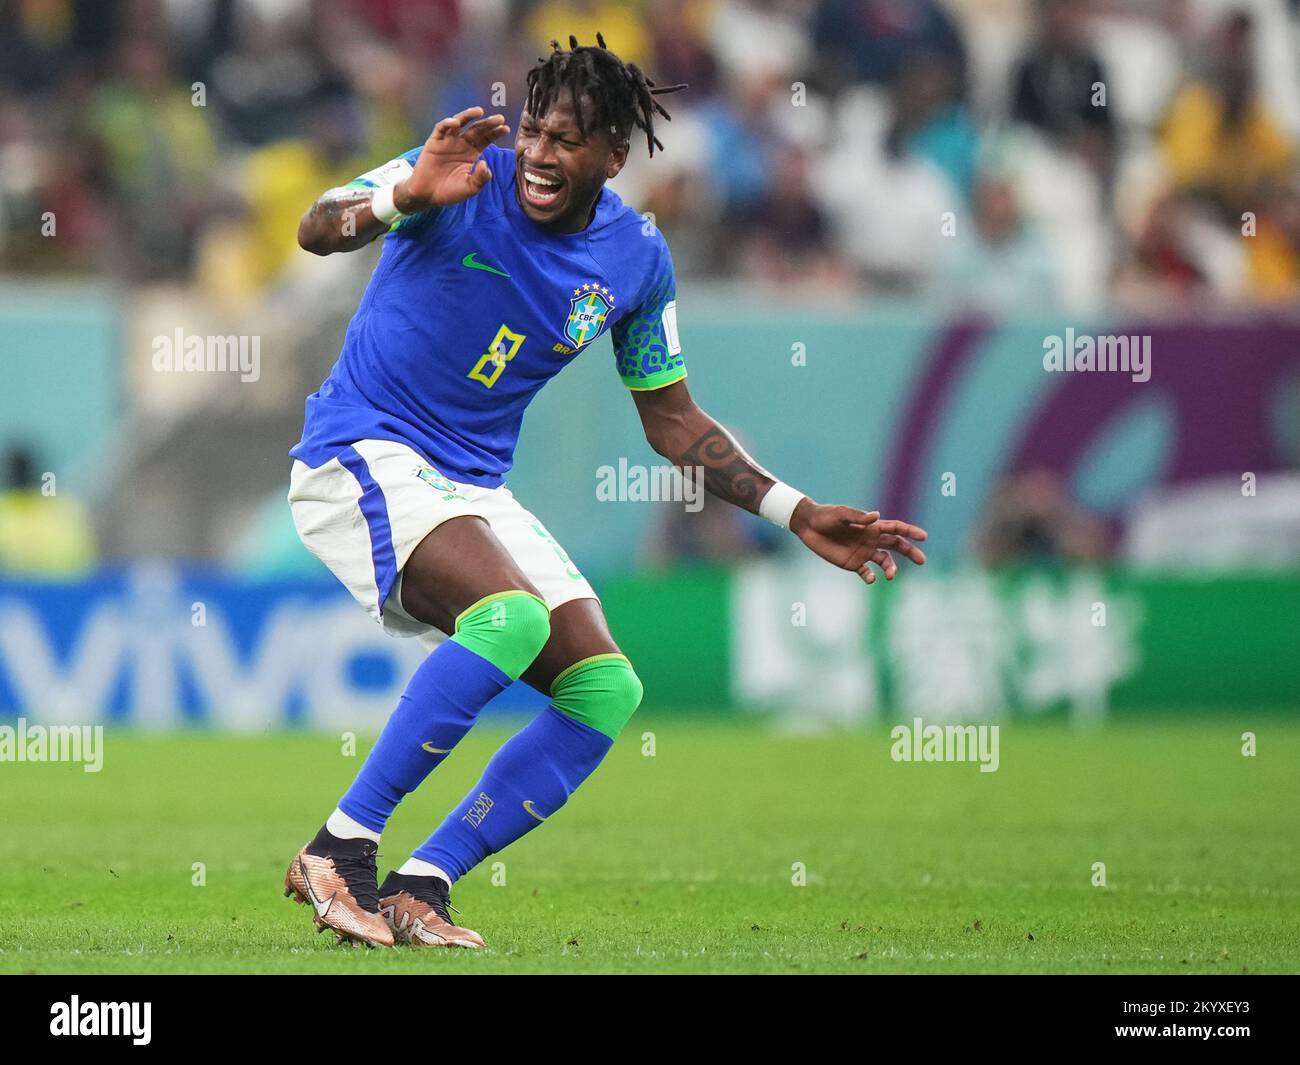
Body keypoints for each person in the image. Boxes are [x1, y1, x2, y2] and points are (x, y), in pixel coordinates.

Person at [284, 34, 928, 949]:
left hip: (467, 481)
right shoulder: (463, 172)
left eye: (571, 139)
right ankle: (337, 849)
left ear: (613, 158)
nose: (543, 154)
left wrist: (795, 510)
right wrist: (401, 195)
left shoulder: (635, 257)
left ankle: (422, 882)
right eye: (538, 130)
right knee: (508, 620)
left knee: (602, 689)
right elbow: (316, 227)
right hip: (361, 449)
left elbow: (671, 420)